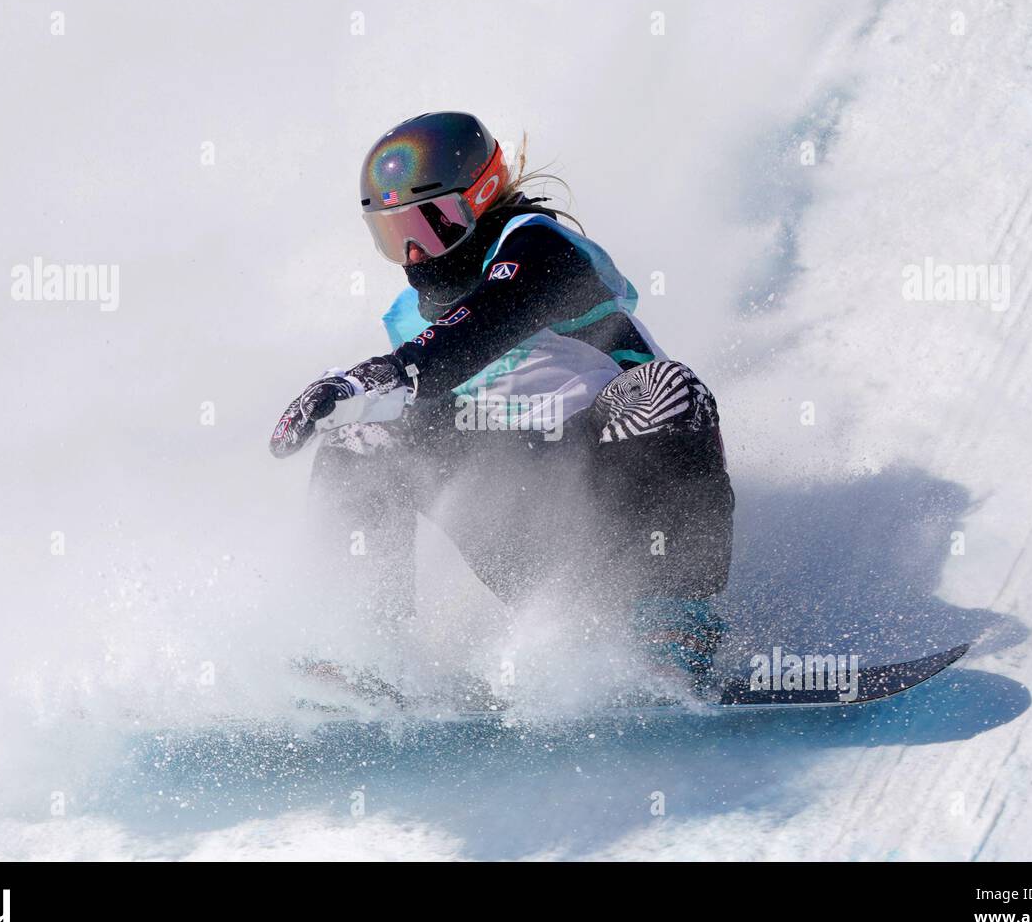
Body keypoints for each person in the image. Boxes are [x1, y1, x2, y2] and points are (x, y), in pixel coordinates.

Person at [270, 111, 734, 699]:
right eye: (394, 237)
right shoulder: (408, 318)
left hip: (625, 519)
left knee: (665, 389)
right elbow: (427, 384)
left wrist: (376, 379)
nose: (415, 255)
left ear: (481, 196)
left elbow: (487, 320)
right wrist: (357, 405)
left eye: (430, 226)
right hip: (525, 532)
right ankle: (361, 658)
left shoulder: (539, 247)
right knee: (362, 434)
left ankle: (671, 639)